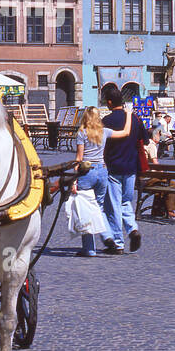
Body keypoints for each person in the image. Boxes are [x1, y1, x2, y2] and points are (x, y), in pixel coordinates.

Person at [72, 106, 133, 257]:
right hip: (102, 171)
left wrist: (73, 180)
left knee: (86, 209)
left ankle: (89, 249)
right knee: (99, 208)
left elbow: (79, 159)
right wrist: (129, 115)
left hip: (87, 171)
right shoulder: (104, 132)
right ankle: (108, 236)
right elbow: (126, 132)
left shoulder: (82, 133)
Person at [101, 90, 146, 253]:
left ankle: (118, 243)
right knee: (126, 202)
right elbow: (144, 141)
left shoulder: (106, 120)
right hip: (131, 166)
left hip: (113, 166)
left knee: (113, 205)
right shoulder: (134, 119)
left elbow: (101, 145)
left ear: (111, 102)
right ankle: (133, 229)